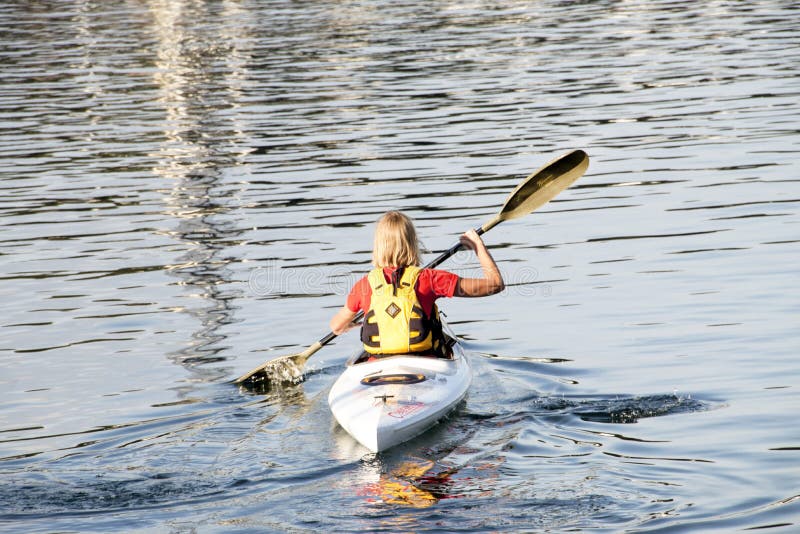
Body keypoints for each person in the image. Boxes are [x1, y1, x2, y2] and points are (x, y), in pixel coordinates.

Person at [329, 211, 504, 358]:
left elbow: (336, 326)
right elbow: (495, 284)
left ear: (378, 246)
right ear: (413, 243)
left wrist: (349, 324)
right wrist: (478, 246)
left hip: (378, 368)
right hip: (425, 363)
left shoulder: (364, 285)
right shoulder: (430, 279)